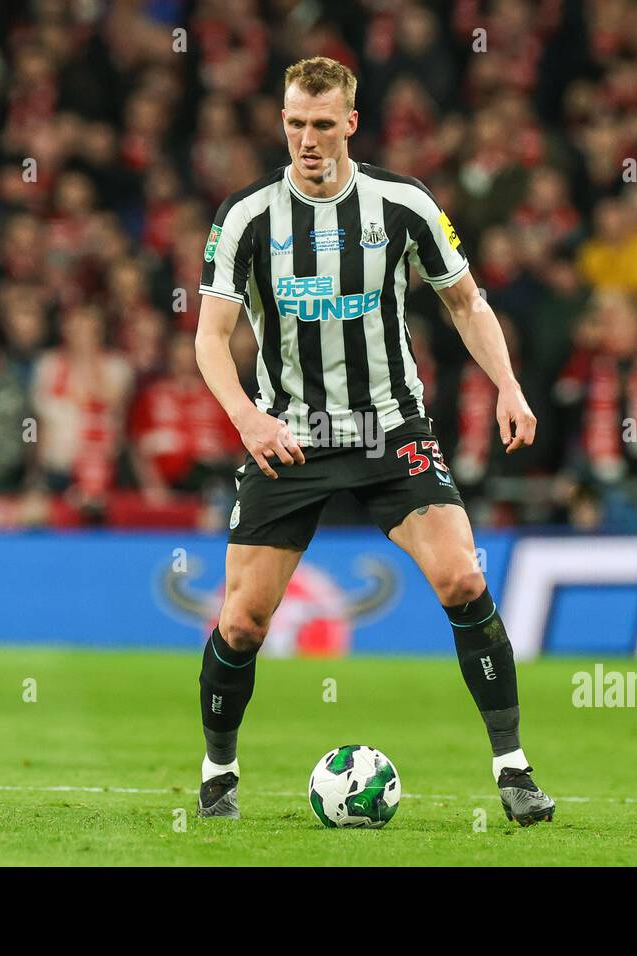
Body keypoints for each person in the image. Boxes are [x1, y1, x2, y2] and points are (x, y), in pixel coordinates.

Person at [192, 57, 552, 825]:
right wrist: (249, 419)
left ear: (351, 123)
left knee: (462, 579)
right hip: (288, 436)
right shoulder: (247, 217)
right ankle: (219, 771)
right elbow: (209, 339)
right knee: (242, 623)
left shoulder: (403, 203)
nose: (308, 140)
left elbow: (466, 301)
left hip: (391, 428)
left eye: (323, 125)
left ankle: (514, 768)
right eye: (295, 123)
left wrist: (509, 385)